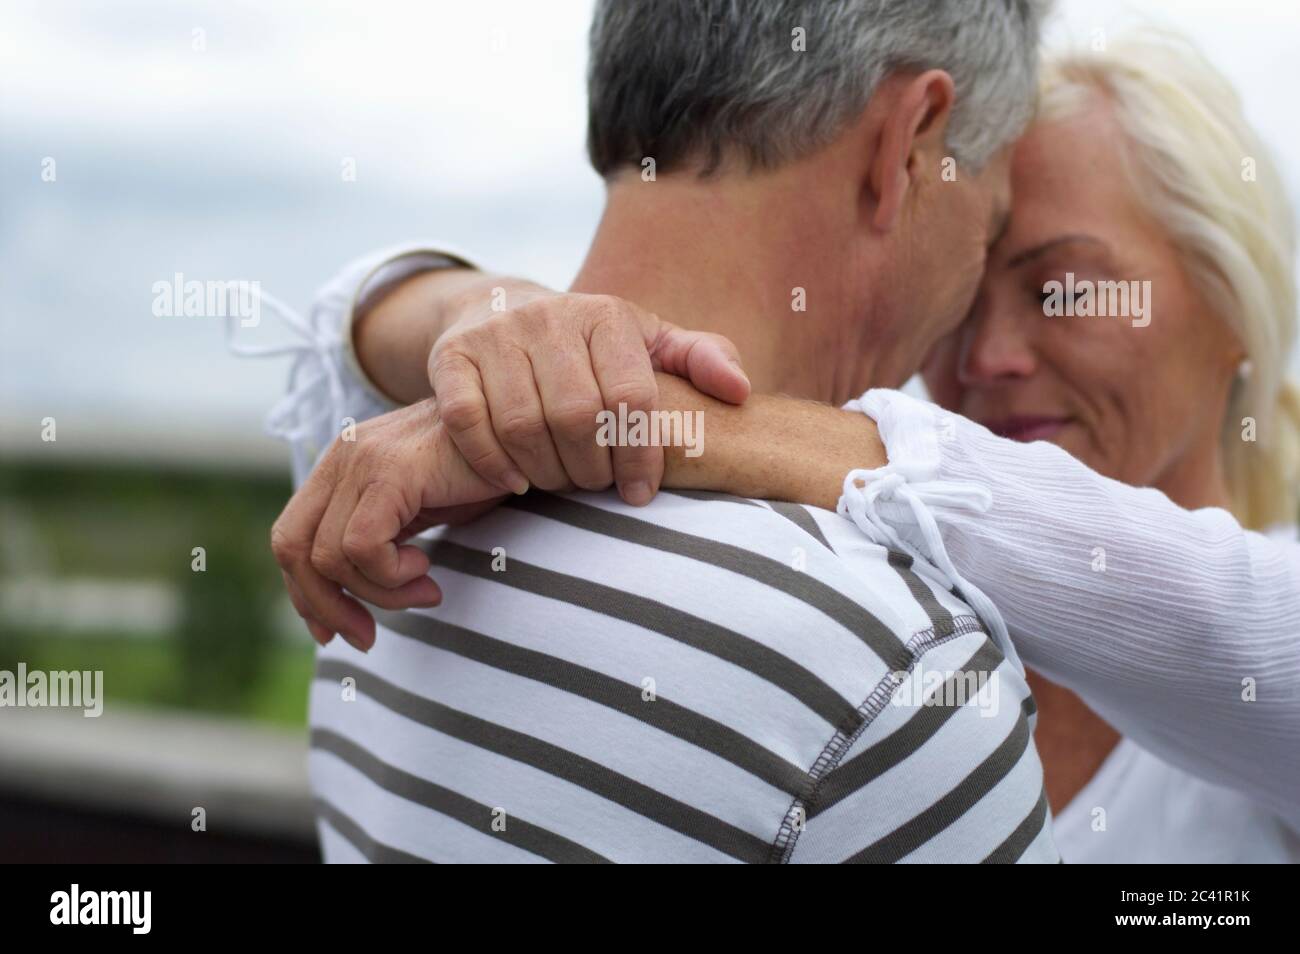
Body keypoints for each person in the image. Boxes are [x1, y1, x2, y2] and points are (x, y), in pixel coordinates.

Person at [275, 30, 1300, 862]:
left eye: (1063, 289)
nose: (984, 356)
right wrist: (503, 331)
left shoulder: (415, 519)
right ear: (909, 148)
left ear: (1237, 307)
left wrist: (685, 415)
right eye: (971, 282)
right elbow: (332, 336)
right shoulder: (888, 654)